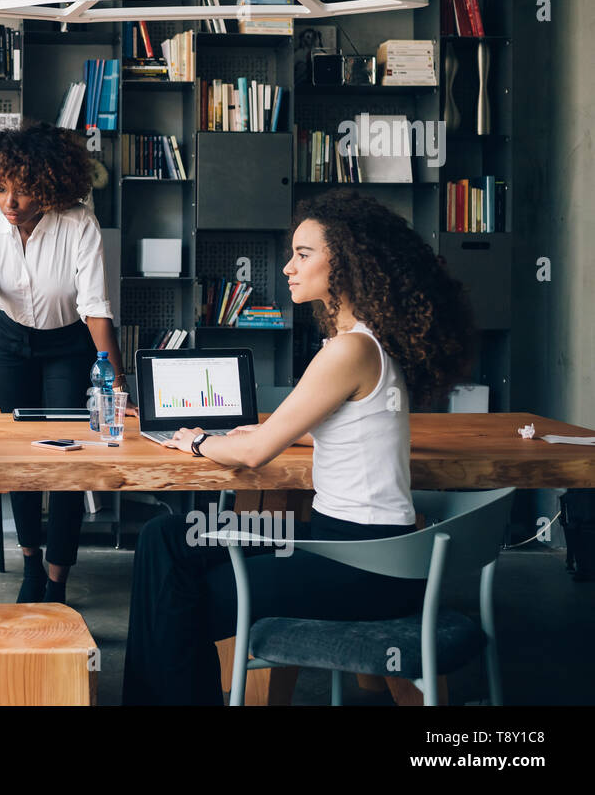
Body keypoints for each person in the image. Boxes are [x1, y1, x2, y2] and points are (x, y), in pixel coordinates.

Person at [122, 190, 474, 705]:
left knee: (179, 595)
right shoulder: (367, 342)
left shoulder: (350, 349)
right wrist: (269, 433)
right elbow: (347, 425)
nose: (288, 267)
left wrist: (198, 441)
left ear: (349, 262)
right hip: (349, 543)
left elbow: (253, 457)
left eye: (303, 254)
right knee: (168, 536)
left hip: (363, 564)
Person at [0, 122, 129, 604]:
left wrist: (115, 390)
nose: (9, 202)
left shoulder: (79, 223)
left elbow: (96, 312)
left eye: (22, 191)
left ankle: (58, 576)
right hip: (10, 342)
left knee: (65, 461)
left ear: (49, 186)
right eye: (1, 188)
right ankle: (29, 565)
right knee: (20, 461)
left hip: (69, 344)